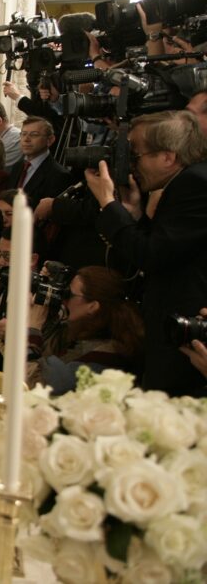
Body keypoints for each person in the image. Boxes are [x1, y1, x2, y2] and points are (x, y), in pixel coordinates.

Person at [84, 108, 207, 396]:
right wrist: (135, 215)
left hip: (184, 338)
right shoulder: (185, 182)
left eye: (136, 155)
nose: (132, 165)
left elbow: (152, 255)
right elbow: (168, 246)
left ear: (167, 157)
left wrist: (107, 204)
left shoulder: (195, 184)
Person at [27, 266, 144, 396]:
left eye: (69, 295)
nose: (63, 300)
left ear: (92, 306)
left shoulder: (105, 355)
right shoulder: (76, 332)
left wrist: (33, 328)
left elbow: (33, 385)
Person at [6, 116, 71, 208]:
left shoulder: (59, 175)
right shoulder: (17, 166)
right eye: (23, 134)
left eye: (34, 135)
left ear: (50, 140)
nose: (26, 139)